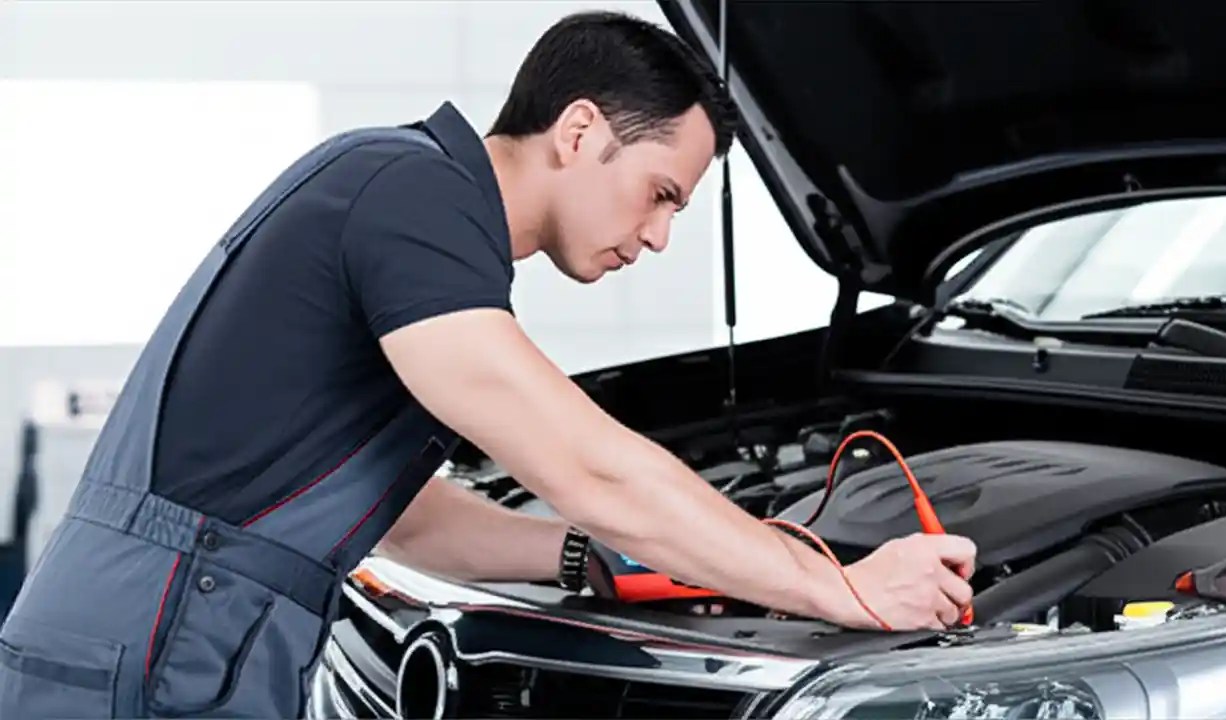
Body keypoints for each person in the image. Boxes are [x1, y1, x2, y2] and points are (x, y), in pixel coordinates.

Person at [0, 10, 975, 719]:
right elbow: (586, 465)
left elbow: (402, 514)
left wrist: (576, 557)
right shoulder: (413, 198)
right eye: (660, 193)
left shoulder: (394, 192)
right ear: (581, 131)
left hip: (173, 634)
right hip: (163, 642)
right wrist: (835, 590)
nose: (659, 235)